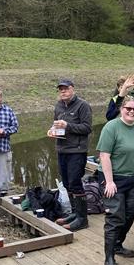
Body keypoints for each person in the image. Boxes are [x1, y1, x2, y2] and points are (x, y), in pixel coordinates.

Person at [96, 95, 134, 265]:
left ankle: (118, 244)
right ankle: (109, 257)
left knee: (129, 214)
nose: (131, 111)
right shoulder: (111, 127)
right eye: (128, 108)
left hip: (133, 179)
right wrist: (110, 182)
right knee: (115, 217)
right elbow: (104, 155)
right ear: (121, 109)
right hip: (113, 179)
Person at [48, 78, 93, 231]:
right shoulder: (59, 105)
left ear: (73, 89)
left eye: (66, 89)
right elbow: (56, 123)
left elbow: (87, 128)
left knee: (75, 182)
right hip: (62, 149)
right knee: (66, 183)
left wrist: (68, 125)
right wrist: (52, 131)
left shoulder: (83, 105)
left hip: (77, 150)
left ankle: (82, 218)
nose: (63, 91)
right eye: (60, 89)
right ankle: (74, 213)